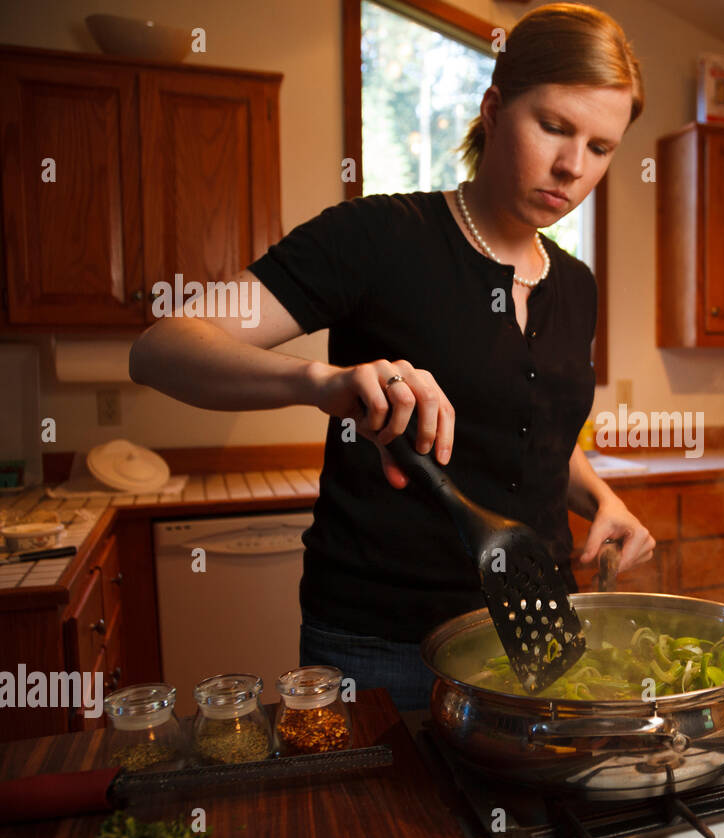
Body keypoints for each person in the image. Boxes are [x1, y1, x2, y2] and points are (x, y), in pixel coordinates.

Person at [128, 3, 654, 710]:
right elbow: (162, 349)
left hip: (533, 633)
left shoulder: (575, 285)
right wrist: (322, 381)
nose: (572, 166)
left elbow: (535, 436)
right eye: (554, 126)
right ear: (494, 108)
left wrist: (601, 498)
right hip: (382, 645)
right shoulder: (378, 238)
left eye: (600, 147)